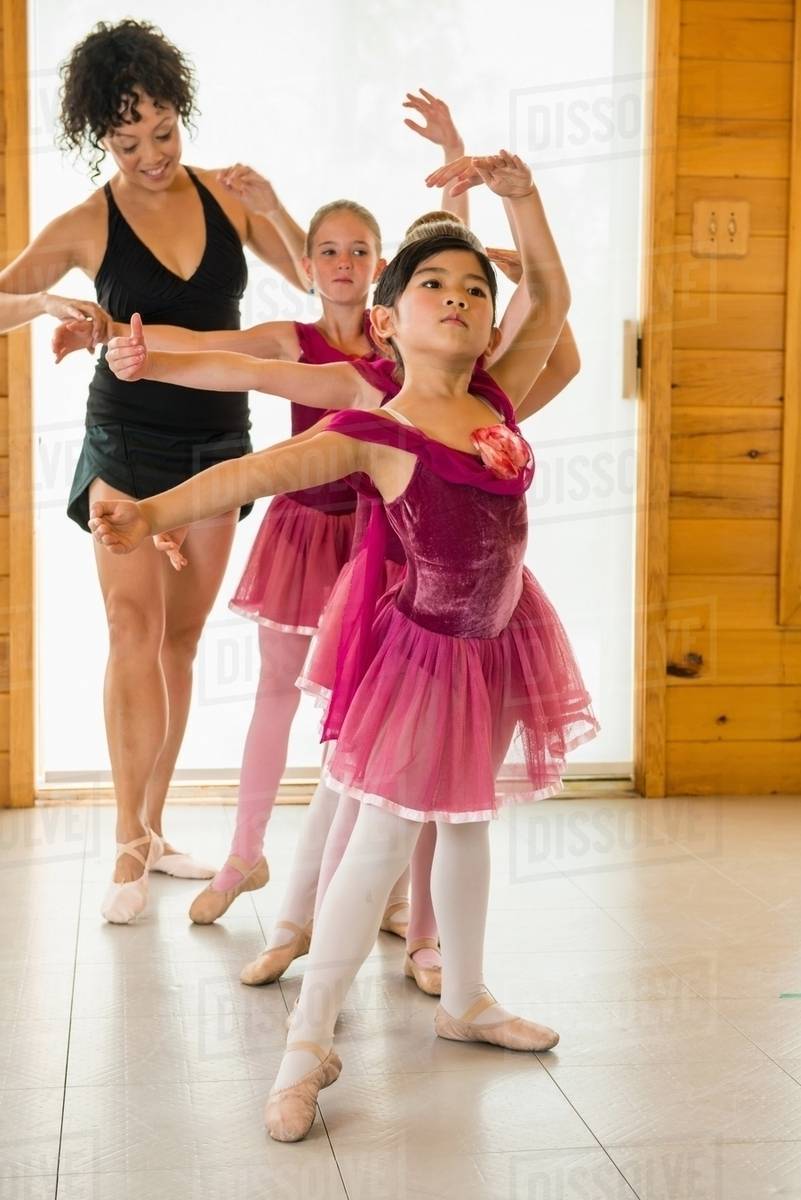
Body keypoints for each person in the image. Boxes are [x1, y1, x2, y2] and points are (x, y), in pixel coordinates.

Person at [91, 150, 599, 1141]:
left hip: (500, 641)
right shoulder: (384, 424)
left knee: (467, 829)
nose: (457, 297)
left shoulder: (498, 396)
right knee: (372, 854)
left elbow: (557, 292)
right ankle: (306, 1043)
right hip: (422, 665)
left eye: (474, 289)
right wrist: (151, 505)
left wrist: (522, 197)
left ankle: (464, 1000)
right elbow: (264, 467)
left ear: (491, 323)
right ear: (388, 318)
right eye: (432, 285)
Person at [0, 18, 308, 923]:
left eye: (164, 133)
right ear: (100, 137)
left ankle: (156, 826)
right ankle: (126, 846)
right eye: (127, 142)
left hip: (219, 444)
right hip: (125, 444)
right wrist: (44, 299)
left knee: (179, 640)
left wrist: (279, 202)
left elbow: (321, 282)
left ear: (183, 113)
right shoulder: (86, 222)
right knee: (131, 629)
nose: (150, 157)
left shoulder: (225, 196)